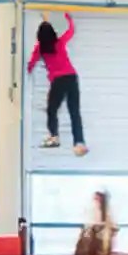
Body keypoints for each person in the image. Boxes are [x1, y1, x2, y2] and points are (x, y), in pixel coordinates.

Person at [27, 12, 88, 156]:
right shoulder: (59, 43)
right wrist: (68, 17)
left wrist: (27, 70)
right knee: (74, 112)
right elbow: (71, 31)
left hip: (58, 80)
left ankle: (54, 136)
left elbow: (31, 63)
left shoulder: (40, 49)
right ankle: (79, 143)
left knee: (52, 110)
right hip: (72, 77)